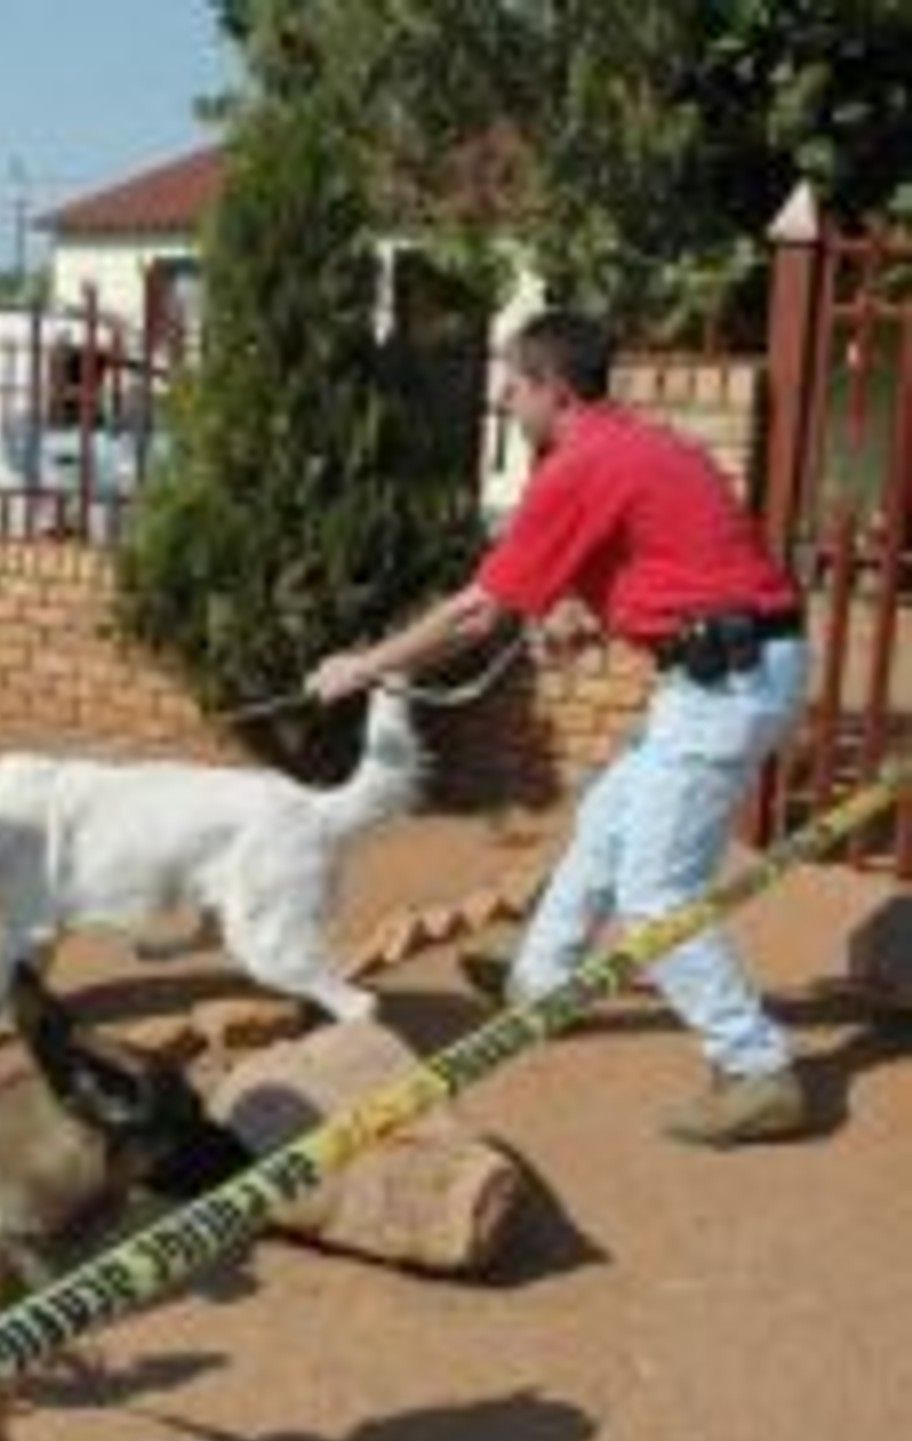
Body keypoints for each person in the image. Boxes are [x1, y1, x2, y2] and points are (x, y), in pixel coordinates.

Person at [307, 309, 809, 1149]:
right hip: (728, 666)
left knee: (657, 892)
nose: (502, 396)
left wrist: (367, 664)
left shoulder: (583, 465)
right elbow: (686, 566)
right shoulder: (635, 447)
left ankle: (755, 1066)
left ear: (554, 388)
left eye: (513, 380)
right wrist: (603, 616)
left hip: (728, 682)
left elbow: (475, 615)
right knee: (608, 817)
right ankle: (542, 978)